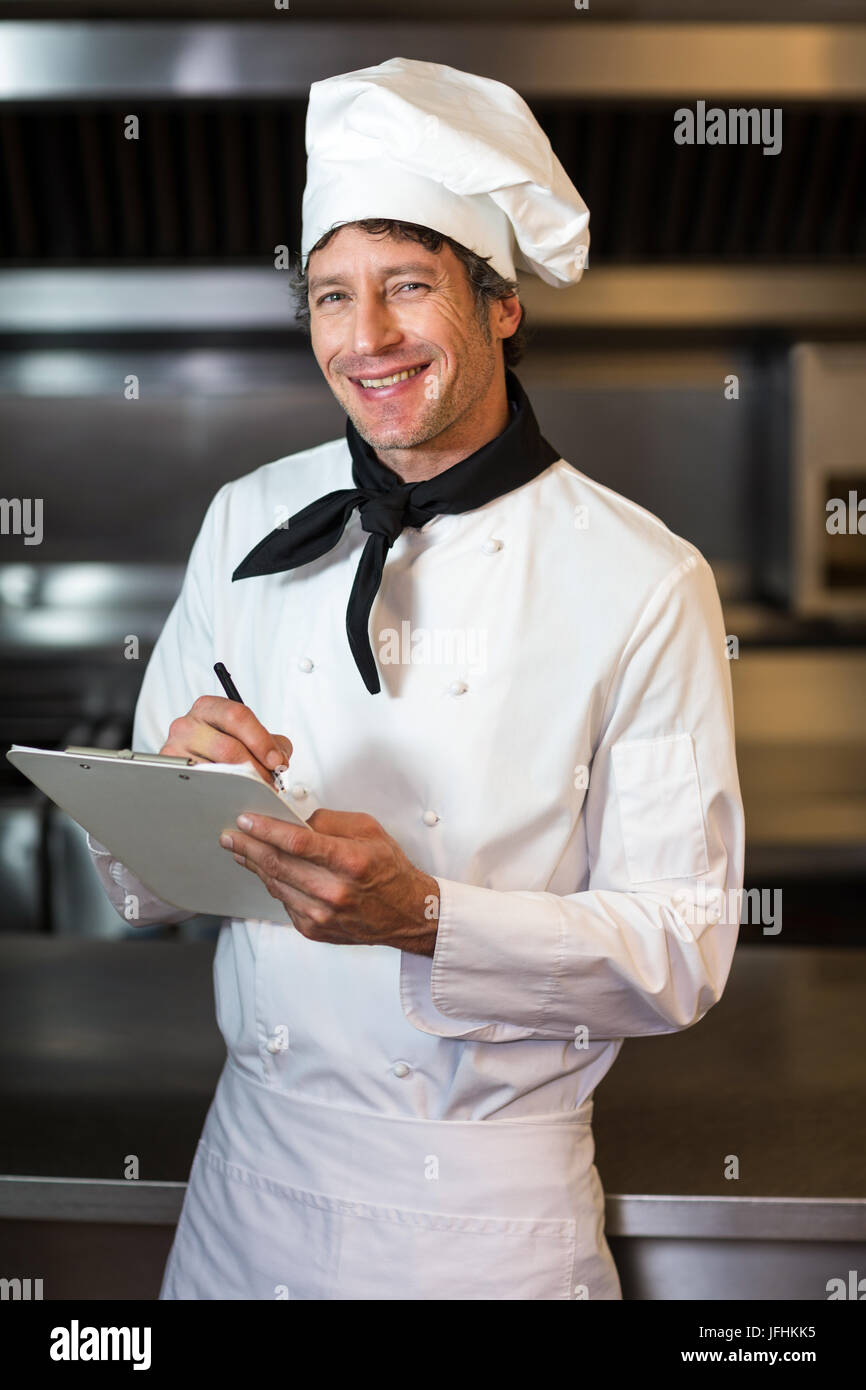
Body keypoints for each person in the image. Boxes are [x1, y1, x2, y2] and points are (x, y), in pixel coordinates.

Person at [88, 57, 744, 1301]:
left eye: (405, 288)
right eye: (331, 297)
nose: (366, 339)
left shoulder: (644, 577)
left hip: (486, 1226)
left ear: (499, 305)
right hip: (243, 1191)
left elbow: (681, 947)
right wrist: (172, 789)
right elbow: (139, 885)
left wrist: (427, 918)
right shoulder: (248, 517)